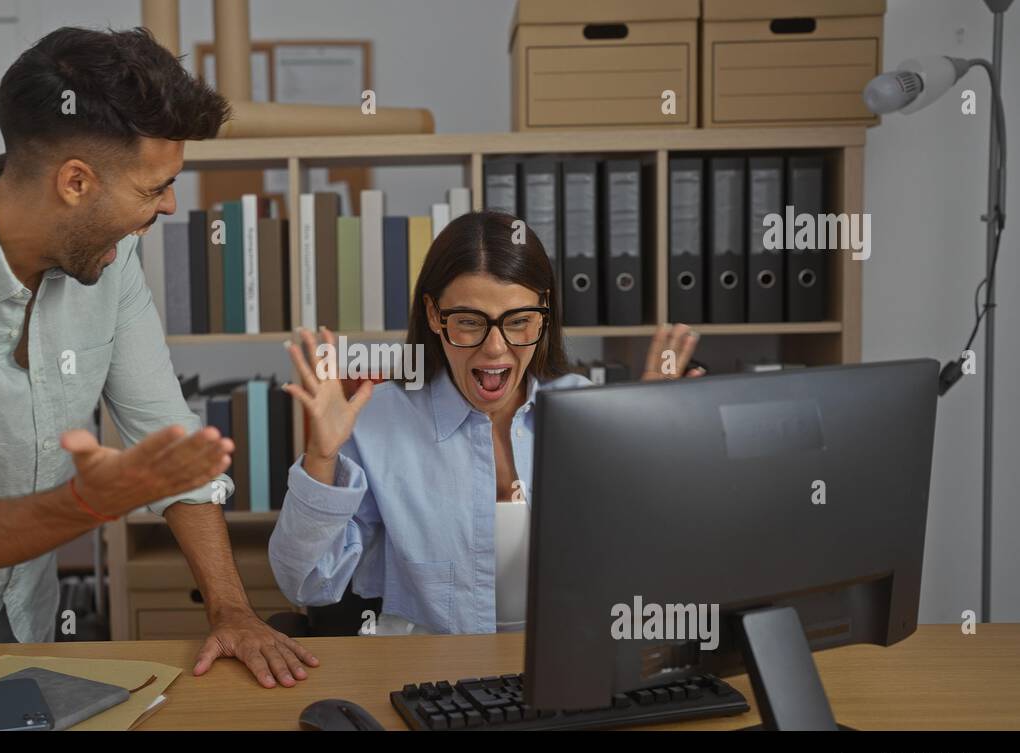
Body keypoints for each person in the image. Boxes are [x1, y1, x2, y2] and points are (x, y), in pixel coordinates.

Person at [0, 27, 316, 688]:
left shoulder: (113, 255)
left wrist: (232, 609)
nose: (169, 205)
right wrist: (90, 501)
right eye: (154, 187)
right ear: (75, 182)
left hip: (23, 602)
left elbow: (166, 431)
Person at [269, 210, 704, 634]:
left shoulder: (586, 408)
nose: (495, 348)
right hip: (427, 677)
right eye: (469, 322)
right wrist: (321, 458)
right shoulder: (377, 420)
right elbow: (307, 582)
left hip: (565, 668)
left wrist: (646, 443)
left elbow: (645, 565)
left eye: (518, 322)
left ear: (544, 313)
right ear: (435, 315)